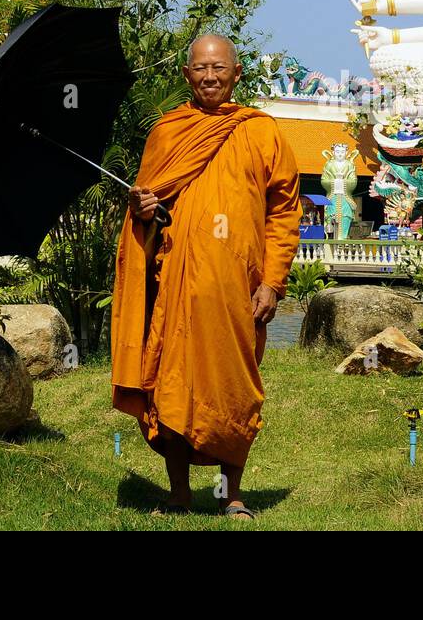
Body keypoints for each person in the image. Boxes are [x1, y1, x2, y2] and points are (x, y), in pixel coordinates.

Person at [110, 34, 301, 519]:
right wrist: (145, 209)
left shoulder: (262, 132)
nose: (210, 77)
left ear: (237, 73)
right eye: (200, 68)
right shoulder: (167, 132)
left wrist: (272, 282)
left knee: (234, 389)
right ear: (186, 75)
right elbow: (147, 208)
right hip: (174, 283)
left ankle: (231, 493)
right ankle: (178, 494)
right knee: (169, 384)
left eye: (219, 68)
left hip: (239, 288)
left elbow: (283, 212)